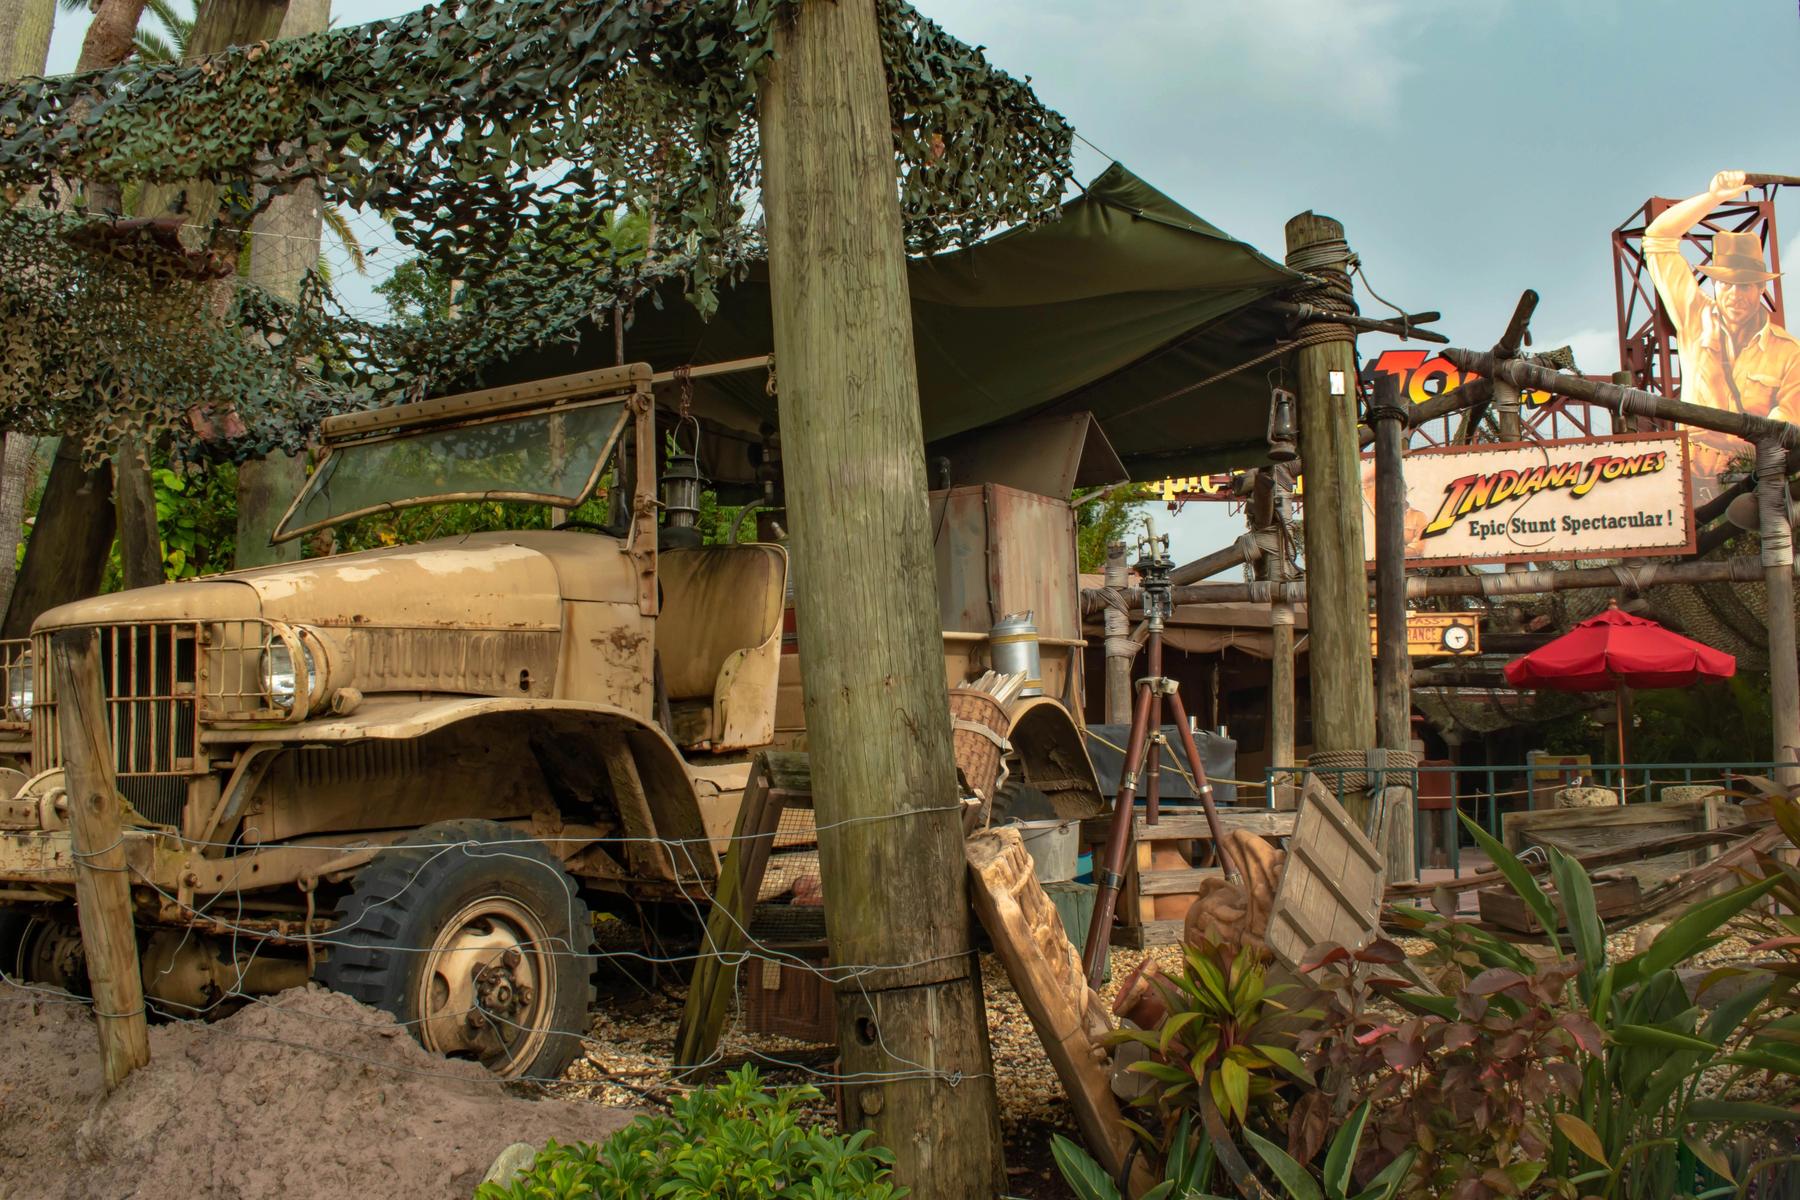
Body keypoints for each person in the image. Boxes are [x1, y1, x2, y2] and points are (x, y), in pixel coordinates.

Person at [1644, 170, 1800, 501]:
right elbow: (1657, 239)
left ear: (1760, 288)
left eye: (1744, 285)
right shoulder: (1694, 317)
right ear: (1714, 284)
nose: (1734, 294)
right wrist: (1714, 197)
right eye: (1726, 283)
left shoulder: (1790, 353)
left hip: (1752, 484)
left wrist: (1719, 442)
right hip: (1688, 481)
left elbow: (1782, 433)